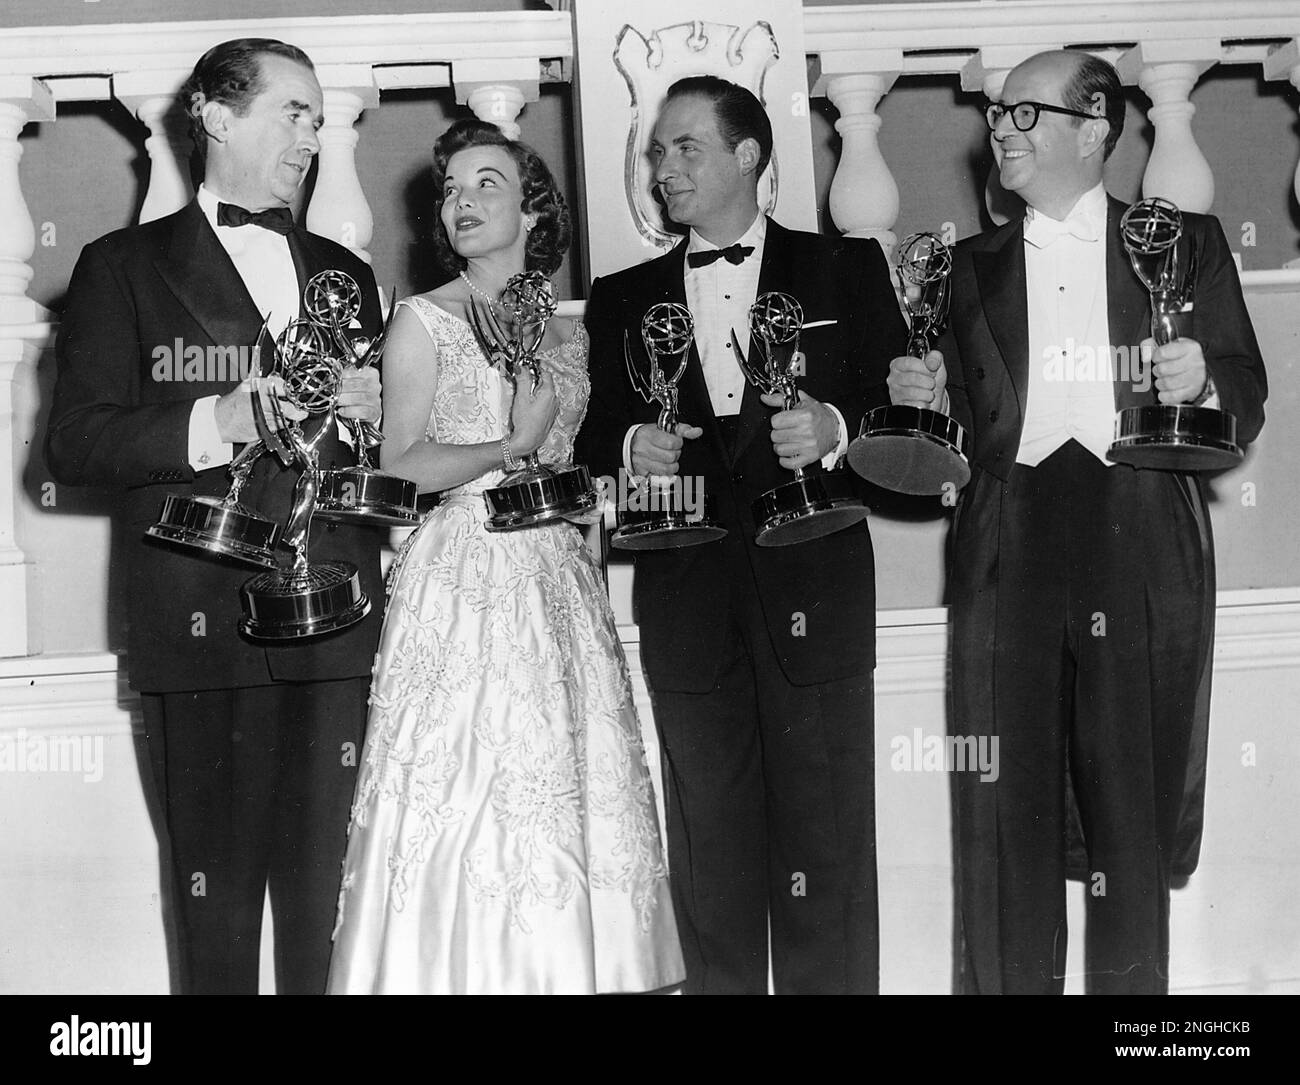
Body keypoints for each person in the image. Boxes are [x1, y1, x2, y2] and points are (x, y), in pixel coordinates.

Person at [888, 50, 1267, 994]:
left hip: (1135, 535)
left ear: (1096, 126)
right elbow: (949, 434)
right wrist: (916, 397)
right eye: (997, 115)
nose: (1000, 131)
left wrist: (1202, 381)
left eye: (1024, 113)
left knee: (1128, 813)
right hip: (1006, 544)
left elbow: (1245, 391)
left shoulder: (1186, 242)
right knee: (1003, 813)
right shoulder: (962, 268)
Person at [45, 38, 386, 995]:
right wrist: (216, 418)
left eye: (320, 119)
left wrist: (375, 418)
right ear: (217, 115)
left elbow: (375, 461)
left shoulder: (345, 272)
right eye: (296, 113)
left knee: (329, 913)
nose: (314, 138)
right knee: (218, 919)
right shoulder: (120, 267)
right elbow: (72, 443)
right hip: (200, 631)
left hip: (336, 630)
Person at [325, 118, 683, 995]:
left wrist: (590, 555)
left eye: (486, 183)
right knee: (471, 791)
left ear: (532, 208)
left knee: (563, 791)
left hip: (557, 579)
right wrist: (502, 444)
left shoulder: (573, 334)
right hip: (464, 571)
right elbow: (399, 463)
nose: (462, 202)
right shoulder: (421, 320)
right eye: (452, 190)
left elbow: (573, 465)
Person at [577, 76, 907, 995]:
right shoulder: (622, 295)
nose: (663, 169)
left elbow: (899, 410)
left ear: (750, 156)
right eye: (657, 152)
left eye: (685, 148)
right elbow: (594, 433)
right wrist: (629, 444)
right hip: (689, 602)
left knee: (828, 838)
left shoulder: (845, 268)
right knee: (709, 841)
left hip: (817, 590)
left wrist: (835, 431)